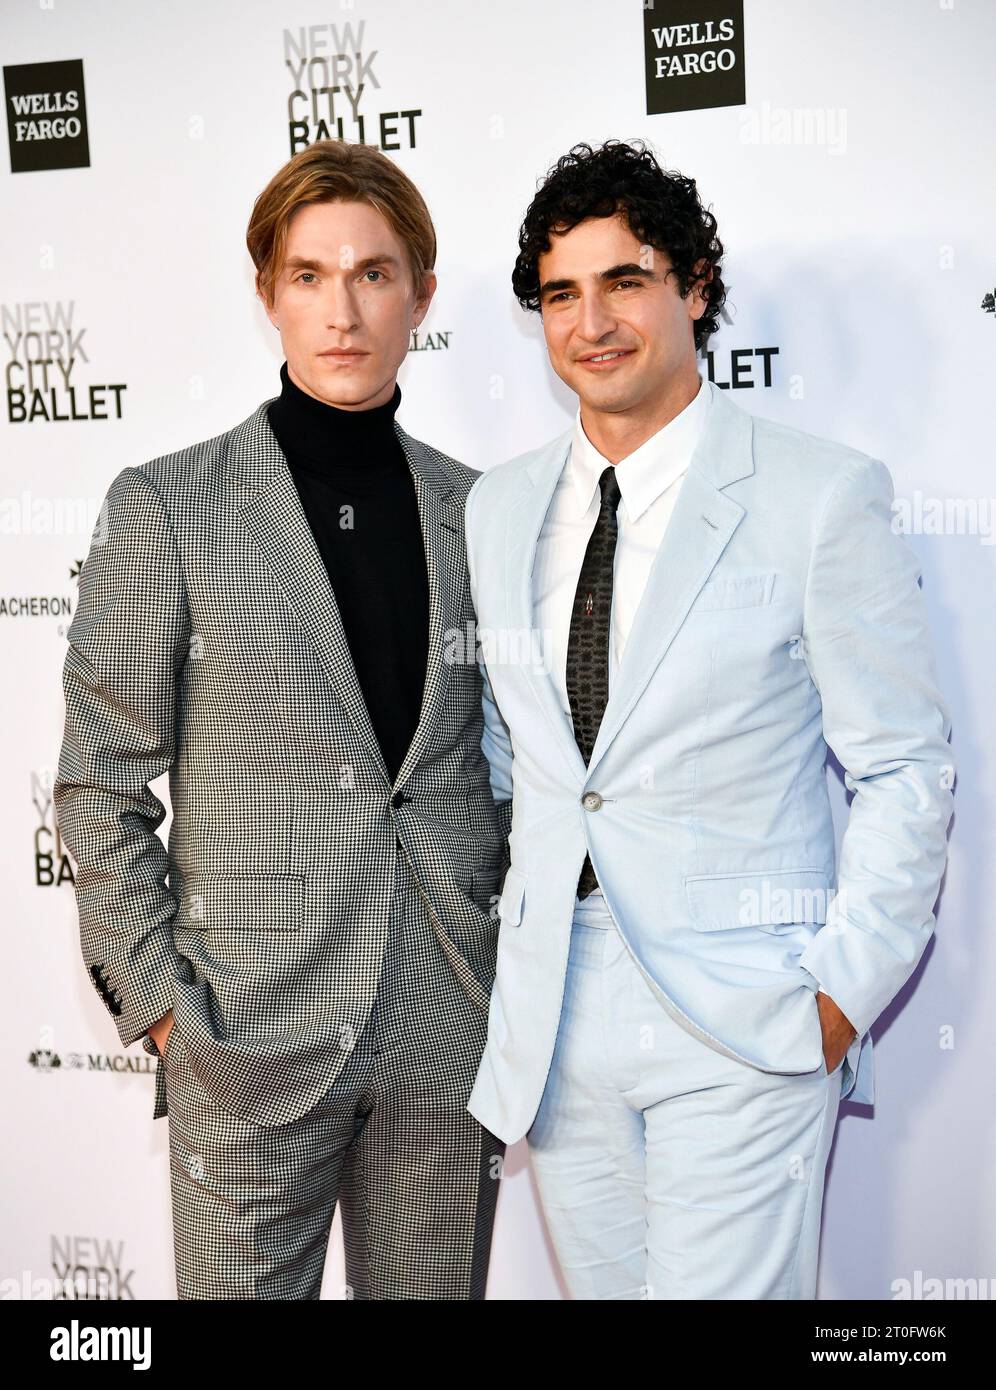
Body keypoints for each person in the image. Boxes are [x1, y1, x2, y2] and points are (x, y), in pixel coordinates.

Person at [464, 140, 955, 1299]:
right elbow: (516, 753)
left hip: (746, 1015)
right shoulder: (497, 509)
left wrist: (835, 996)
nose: (592, 321)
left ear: (693, 285)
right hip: (556, 1017)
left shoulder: (817, 493)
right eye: (561, 293)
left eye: (625, 280)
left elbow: (902, 766)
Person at [54, 139, 509, 1301]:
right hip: (244, 1034)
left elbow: (495, 763)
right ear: (268, 296)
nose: (342, 308)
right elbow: (99, 781)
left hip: (442, 1027)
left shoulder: (481, 511)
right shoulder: (168, 505)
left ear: (422, 294)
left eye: (373, 272)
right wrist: (164, 1010)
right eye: (309, 275)